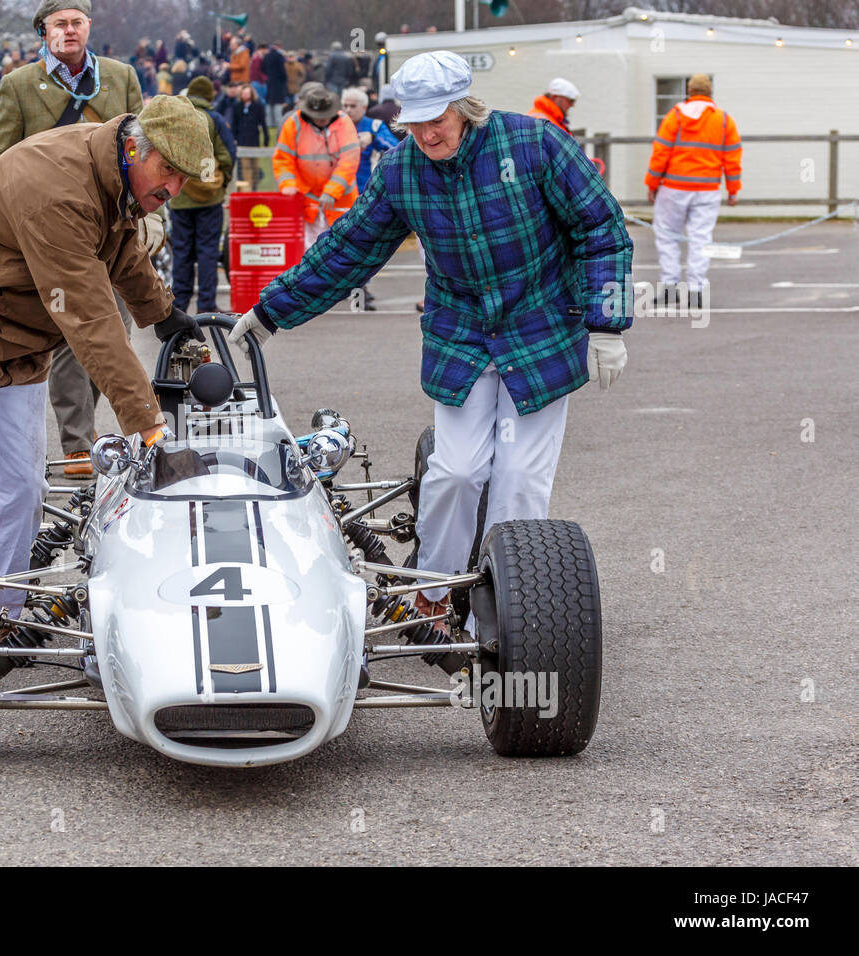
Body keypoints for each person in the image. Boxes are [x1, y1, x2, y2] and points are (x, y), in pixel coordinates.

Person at [231, 51, 632, 638]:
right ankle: (433, 592)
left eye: (435, 120)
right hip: (461, 332)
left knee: (519, 477)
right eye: (413, 123)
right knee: (455, 473)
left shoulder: (535, 143)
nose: (425, 134)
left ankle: (509, 612)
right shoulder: (400, 171)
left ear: (465, 108)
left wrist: (607, 323)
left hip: (541, 327)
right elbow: (349, 250)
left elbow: (602, 227)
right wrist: (272, 311)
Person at [0, 96, 211, 681]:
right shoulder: (59, 186)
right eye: (169, 173)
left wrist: (163, 314)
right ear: (137, 147)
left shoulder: (115, 173)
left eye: (185, 178)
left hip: (17, 335)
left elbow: (122, 252)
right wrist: (150, 426)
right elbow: (87, 316)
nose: (175, 189)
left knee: (21, 484)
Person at [0, 0, 150, 480]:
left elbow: (142, 152)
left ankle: (88, 436)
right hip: (52, 233)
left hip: (111, 230)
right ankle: (77, 443)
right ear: (43, 32)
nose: (69, 31)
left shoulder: (121, 77)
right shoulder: (19, 86)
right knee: (77, 333)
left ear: (88, 27)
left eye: (76, 22)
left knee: (115, 330)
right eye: (59, 24)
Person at [645, 72, 741, 308]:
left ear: (689, 91)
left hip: (674, 187)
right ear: (710, 92)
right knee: (701, 239)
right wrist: (733, 188)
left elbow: (661, 152)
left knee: (667, 236)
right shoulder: (724, 120)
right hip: (707, 188)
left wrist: (652, 183)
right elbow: (732, 156)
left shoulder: (675, 117)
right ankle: (697, 290)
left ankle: (669, 287)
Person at [169, 75, 234, 314]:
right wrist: (222, 183)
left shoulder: (177, 119)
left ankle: (178, 305)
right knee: (208, 251)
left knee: (182, 252)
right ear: (210, 96)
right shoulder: (214, 120)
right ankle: (206, 304)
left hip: (180, 195)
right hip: (210, 198)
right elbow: (227, 155)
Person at [272, 82, 359, 249]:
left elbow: (349, 161)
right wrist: (288, 185)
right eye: (318, 117)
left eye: (325, 116)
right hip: (307, 201)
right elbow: (283, 159)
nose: (322, 120)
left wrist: (332, 191)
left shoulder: (344, 123)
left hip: (341, 202)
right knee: (308, 253)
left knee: (344, 252)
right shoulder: (293, 123)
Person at [341, 86, 399, 310]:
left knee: (362, 243)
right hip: (337, 194)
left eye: (353, 106)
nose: (348, 110)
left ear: (364, 108)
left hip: (365, 194)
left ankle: (360, 289)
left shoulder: (374, 125)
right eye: (345, 105)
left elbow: (394, 147)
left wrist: (373, 138)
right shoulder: (336, 126)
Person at [230, 82, 266, 187]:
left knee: (255, 166)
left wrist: (266, 138)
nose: (246, 96)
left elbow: (263, 122)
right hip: (242, 140)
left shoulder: (258, 106)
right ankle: (248, 186)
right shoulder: (237, 107)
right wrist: (234, 138)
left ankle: (254, 185)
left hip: (254, 140)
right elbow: (234, 124)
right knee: (246, 167)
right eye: (244, 93)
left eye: (248, 93)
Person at [262, 42, 288, 130]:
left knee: (269, 102)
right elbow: (282, 71)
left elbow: (263, 69)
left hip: (269, 81)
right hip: (278, 82)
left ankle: (269, 122)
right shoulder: (279, 57)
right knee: (278, 103)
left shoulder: (266, 56)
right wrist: (284, 80)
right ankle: (278, 122)